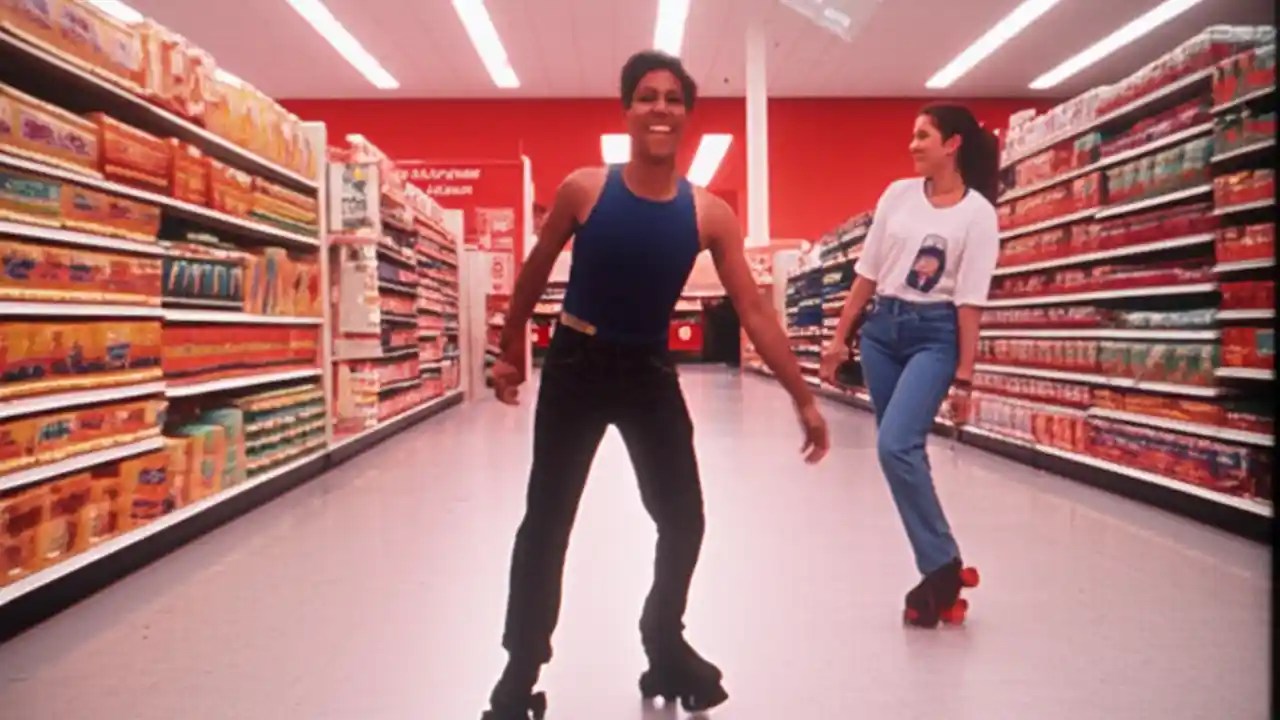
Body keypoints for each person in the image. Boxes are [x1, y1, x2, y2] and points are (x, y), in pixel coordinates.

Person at [482, 50, 830, 720]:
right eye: (647, 96)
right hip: (577, 367)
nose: (660, 108)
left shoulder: (708, 216)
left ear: (687, 114)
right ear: (627, 109)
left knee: (684, 519)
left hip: (647, 372)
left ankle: (662, 639)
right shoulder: (586, 189)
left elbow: (755, 309)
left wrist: (803, 395)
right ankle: (518, 673)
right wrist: (509, 351)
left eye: (673, 98)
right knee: (547, 523)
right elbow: (533, 271)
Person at [820, 104, 999, 629]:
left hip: (935, 337)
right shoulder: (897, 195)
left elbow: (970, 302)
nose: (913, 144)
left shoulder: (977, 214)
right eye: (912, 136)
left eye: (923, 136)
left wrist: (964, 377)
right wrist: (839, 338)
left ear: (953, 144)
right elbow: (867, 273)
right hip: (880, 334)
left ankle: (940, 567)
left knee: (894, 445)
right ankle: (942, 565)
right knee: (903, 451)